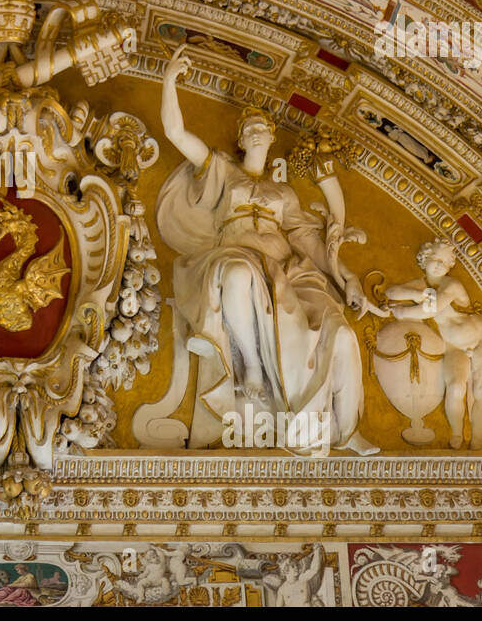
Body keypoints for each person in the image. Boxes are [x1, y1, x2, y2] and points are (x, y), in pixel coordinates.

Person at [156, 51, 377, 454]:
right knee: (237, 274)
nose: (258, 132)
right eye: (251, 128)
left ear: (272, 138)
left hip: (286, 269)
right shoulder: (221, 169)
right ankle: (253, 368)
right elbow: (174, 131)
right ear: (240, 141)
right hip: (235, 255)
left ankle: (342, 430)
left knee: (338, 332)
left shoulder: (284, 194)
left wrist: (346, 276)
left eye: (263, 127)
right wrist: (169, 80)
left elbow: (308, 241)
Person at [383, 240, 482, 449]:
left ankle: (478, 438)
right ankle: (457, 434)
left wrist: (402, 312)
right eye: (434, 259)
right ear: (424, 260)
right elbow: (391, 293)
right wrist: (416, 294)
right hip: (453, 347)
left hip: (481, 339)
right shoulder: (421, 285)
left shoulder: (452, 285)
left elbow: (430, 309)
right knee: (456, 387)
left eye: (443, 261)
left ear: (450, 265)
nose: (439, 265)